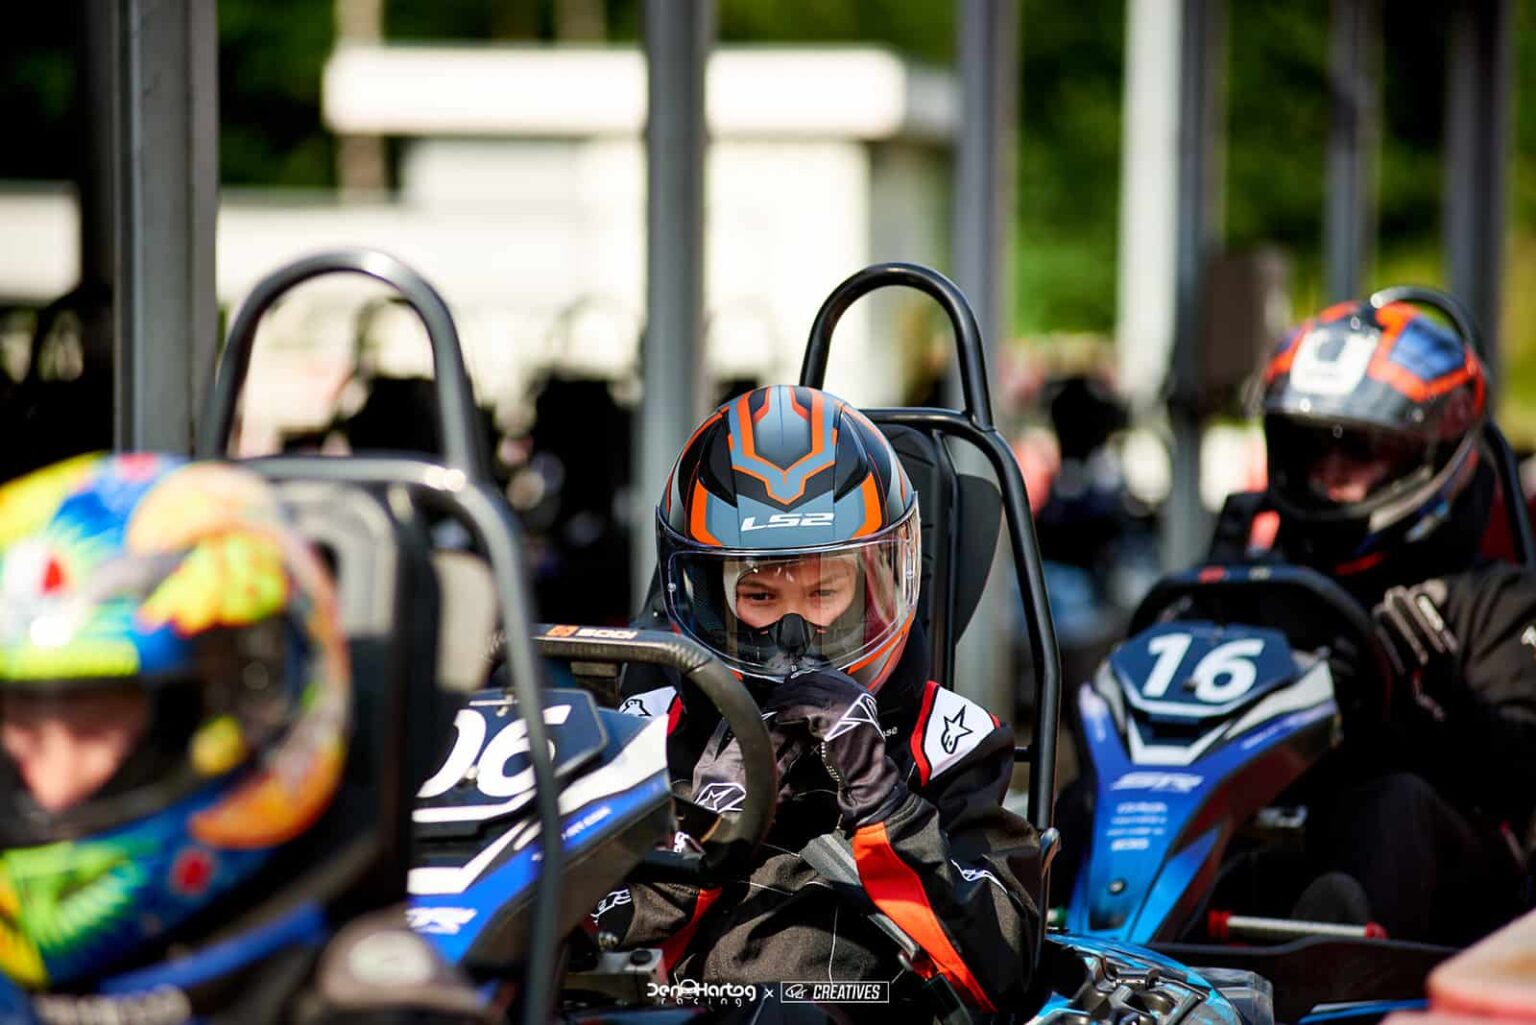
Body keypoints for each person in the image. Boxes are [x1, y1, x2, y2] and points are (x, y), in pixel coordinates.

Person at [591, 385, 1042, 1013]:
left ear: (879, 582)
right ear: (708, 596)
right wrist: (708, 824)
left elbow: (1002, 971)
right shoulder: (648, 731)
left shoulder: (951, 740)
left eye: (824, 591)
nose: (795, 635)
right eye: (761, 597)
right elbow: (595, 932)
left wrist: (886, 804)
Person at [0, 453, 486, 1023]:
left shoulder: (369, 1004)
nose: (50, 787)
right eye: (18, 723)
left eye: (93, 721)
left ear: (249, 707)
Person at [1257, 298, 1536, 943]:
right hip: (1251, 840)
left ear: (1428, 451)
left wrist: (1437, 706)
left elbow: (1522, 781)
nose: (1329, 476)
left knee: (1394, 804)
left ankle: (1337, 989)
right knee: (1086, 805)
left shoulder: (1497, 600)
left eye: (1356, 450)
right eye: (1309, 450)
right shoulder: (1253, 578)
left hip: (1439, 902)